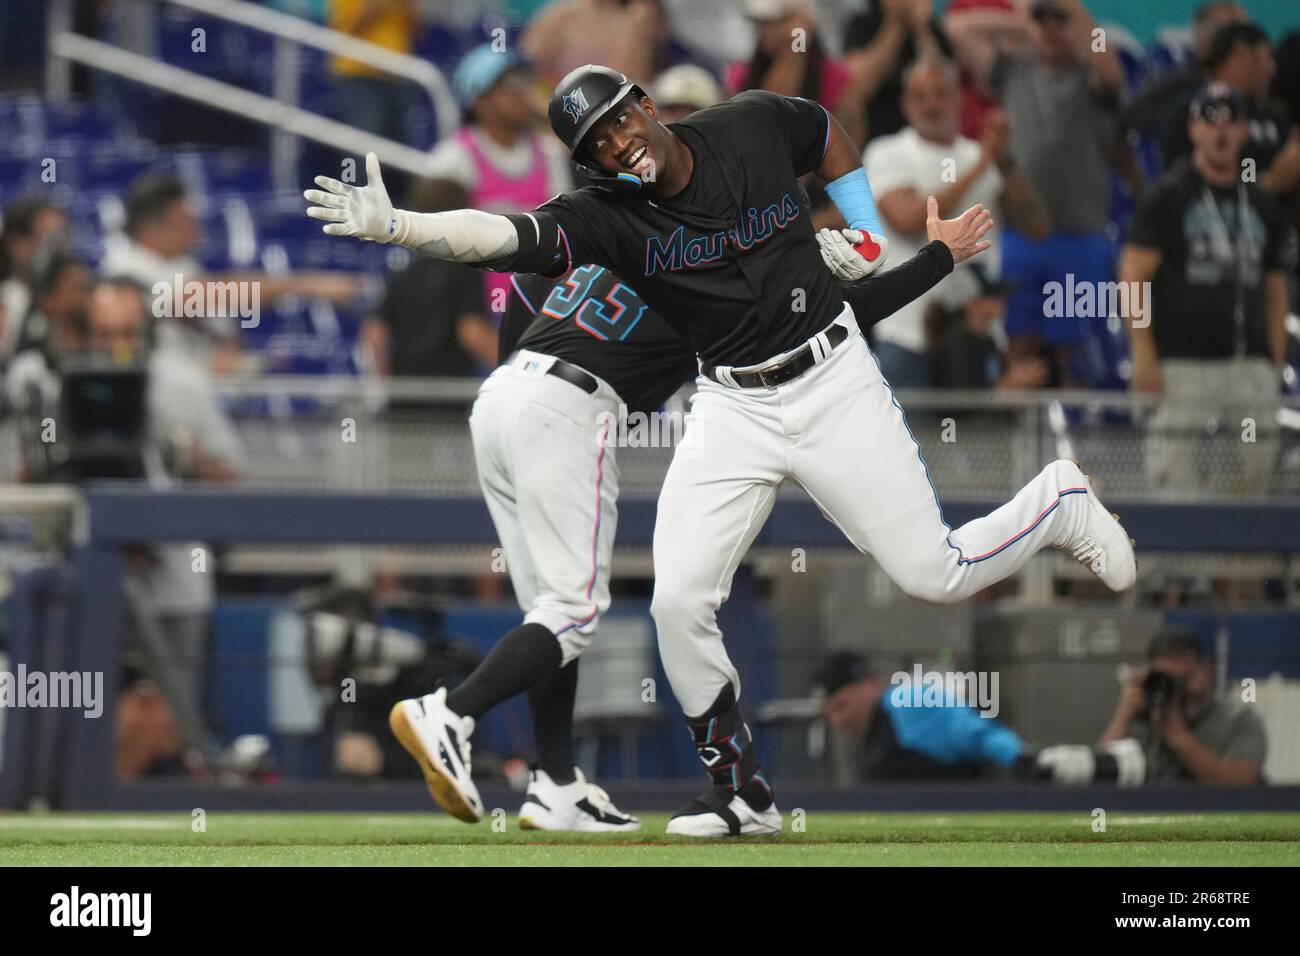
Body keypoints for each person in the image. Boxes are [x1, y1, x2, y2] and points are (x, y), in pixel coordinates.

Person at [305, 64, 1136, 838]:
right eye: (593, 143)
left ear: (645, 104)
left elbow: (823, 134)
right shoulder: (610, 216)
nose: (614, 142)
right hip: (730, 400)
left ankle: (1058, 500)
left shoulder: (746, 126)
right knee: (676, 601)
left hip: (832, 380)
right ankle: (740, 789)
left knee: (935, 574)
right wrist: (400, 226)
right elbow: (498, 235)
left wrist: (868, 226)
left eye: (616, 121)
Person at [1122, 84, 1290, 499]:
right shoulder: (1169, 196)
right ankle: (1174, 567)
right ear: (1194, 129)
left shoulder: (1262, 203)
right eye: (1210, 120)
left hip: (1247, 365)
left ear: (1244, 132)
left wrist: (1273, 359)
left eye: (1231, 121)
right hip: (1183, 365)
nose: (1221, 131)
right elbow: (1133, 278)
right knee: (1172, 484)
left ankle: (1236, 567)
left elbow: (1274, 286)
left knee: (1255, 485)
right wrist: (1143, 355)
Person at [947, 0, 1124, 387]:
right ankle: (1024, 438)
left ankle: (1082, 440)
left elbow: (1110, 69)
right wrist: (1022, 21)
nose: (1048, 26)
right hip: (1021, 236)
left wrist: (1071, 10)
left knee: (1078, 352)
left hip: (1082, 235)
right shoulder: (1013, 71)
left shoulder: (1090, 76)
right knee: (1019, 345)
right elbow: (958, 29)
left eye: (1058, 19)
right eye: (1041, 18)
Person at [864, 55, 1047, 387]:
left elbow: (1035, 227)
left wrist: (1004, 161)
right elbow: (908, 219)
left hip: (974, 340)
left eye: (941, 94)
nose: (932, 105)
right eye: (921, 96)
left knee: (973, 438)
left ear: (959, 98)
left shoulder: (985, 155)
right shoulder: (887, 153)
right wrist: (981, 165)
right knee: (908, 438)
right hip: (905, 336)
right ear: (905, 104)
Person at [101, 172, 359, 371]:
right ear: (152, 225)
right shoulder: (124, 267)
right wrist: (312, 286)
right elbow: (209, 295)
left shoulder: (182, 264)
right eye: (185, 220)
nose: (195, 229)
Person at [430, 45, 574, 311]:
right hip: (474, 311)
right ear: (478, 100)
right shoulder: (453, 157)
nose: (521, 92)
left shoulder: (549, 153)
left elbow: (564, 233)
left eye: (523, 82)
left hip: (543, 306)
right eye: (507, 84)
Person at [814, 650, 1024, 780]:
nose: (836, 721)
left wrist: (1024, 759)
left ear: (869, 683)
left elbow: (977, 734)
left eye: (841, 705)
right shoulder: (870, 737)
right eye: (829, 714)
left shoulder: (906, 700)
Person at [360, 179, 496, 376]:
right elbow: (472, 333)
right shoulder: (464, 270)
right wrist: (512, 370)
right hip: (448, 396)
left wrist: (391, 387)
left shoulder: (402, 272)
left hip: (405, 397)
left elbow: (375, 334)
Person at [1099, 629, 1266, 784]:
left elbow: (1242, 782)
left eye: (1184, 679)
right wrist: (1124, 715)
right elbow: (1099, 772)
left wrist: (1178, 737)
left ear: (1206, 671)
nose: (1176, 689)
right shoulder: (1145, 714)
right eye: (1166, 679)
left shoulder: (1238, 718)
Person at [1121, 2, 1248, 173]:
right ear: (1203, 39)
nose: (1239, 47)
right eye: (1229, 33)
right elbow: (1128, 120)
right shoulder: (1178, 90)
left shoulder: (1258, 101)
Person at [841, 0, 954, 147]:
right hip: (877, 139)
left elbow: (947, 83)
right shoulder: (863, 25)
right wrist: (896, 25)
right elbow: (857, 88)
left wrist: (921, 30)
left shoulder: (930, 29)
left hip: (930, 140)